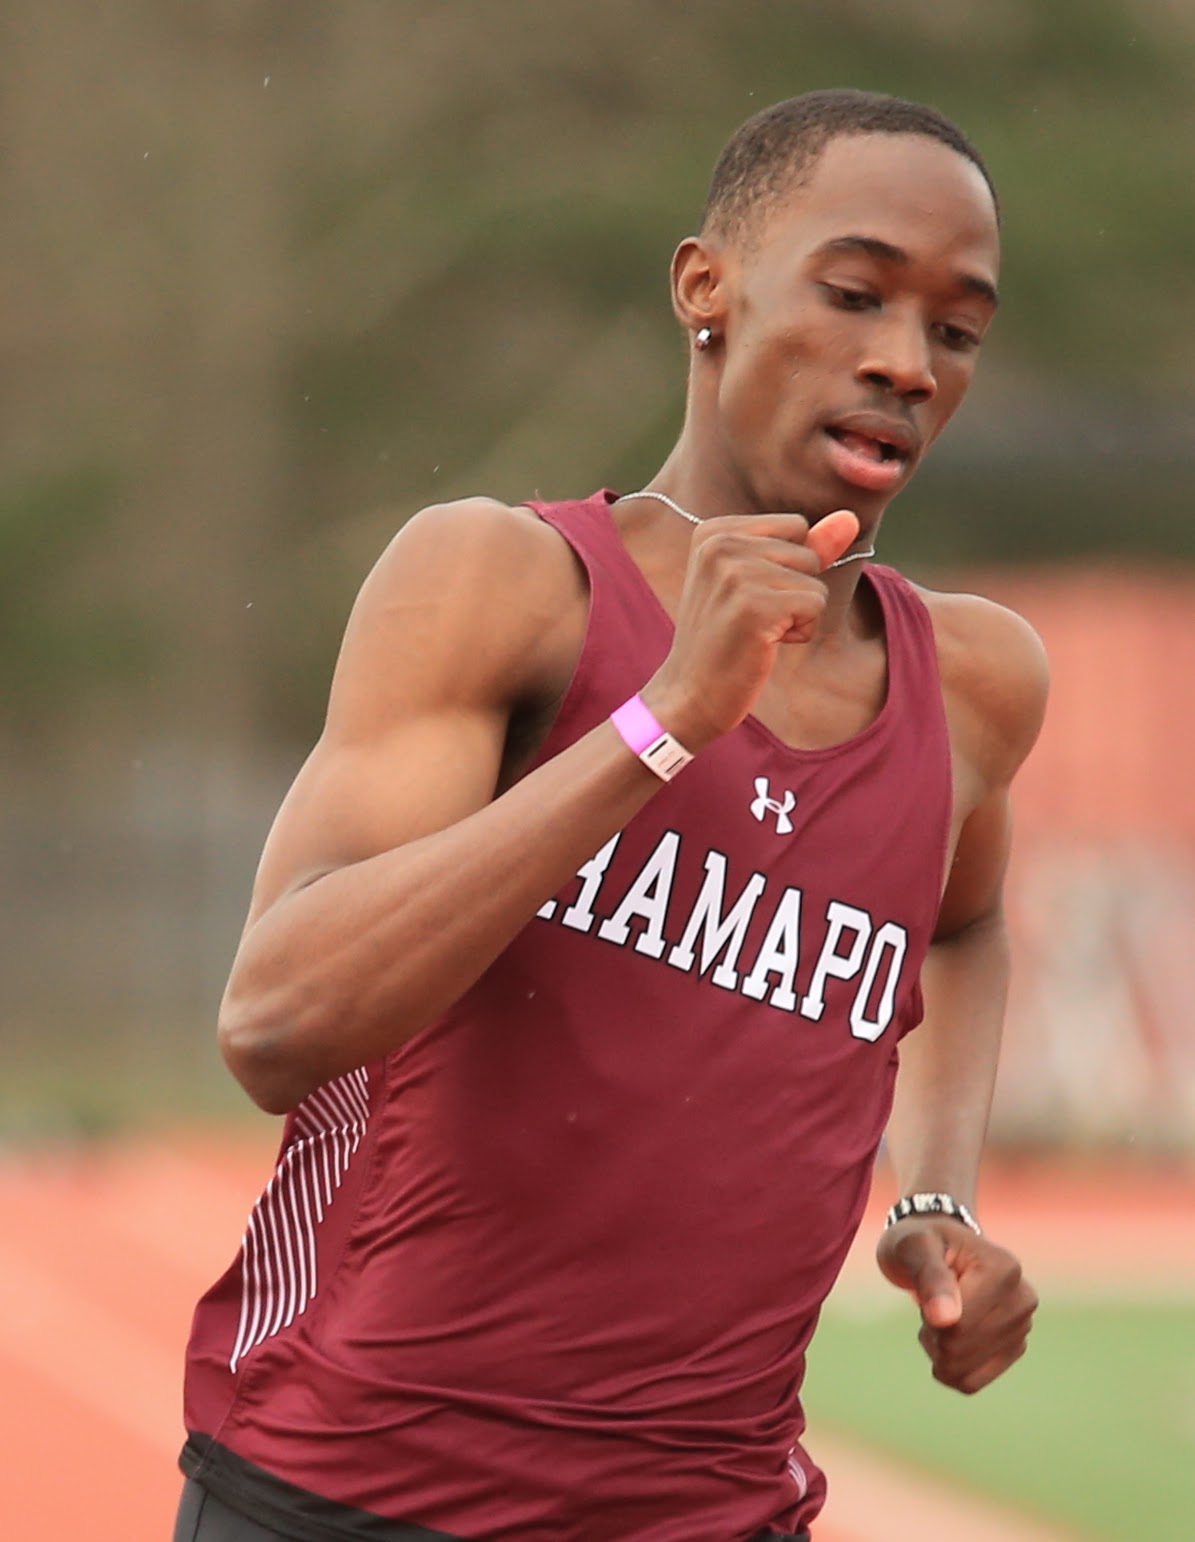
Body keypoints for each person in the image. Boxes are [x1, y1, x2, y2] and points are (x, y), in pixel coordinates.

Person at [175, 89, 1046, 1542]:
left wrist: (933, 1200)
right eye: (854, 295)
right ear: (706, 289)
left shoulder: (975, 684)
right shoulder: (503, 586)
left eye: (956, 330)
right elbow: (275, 1023)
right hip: (354, 1489)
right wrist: (664, 721)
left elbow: (959, 929)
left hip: (714, 1511)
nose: (906, 361)